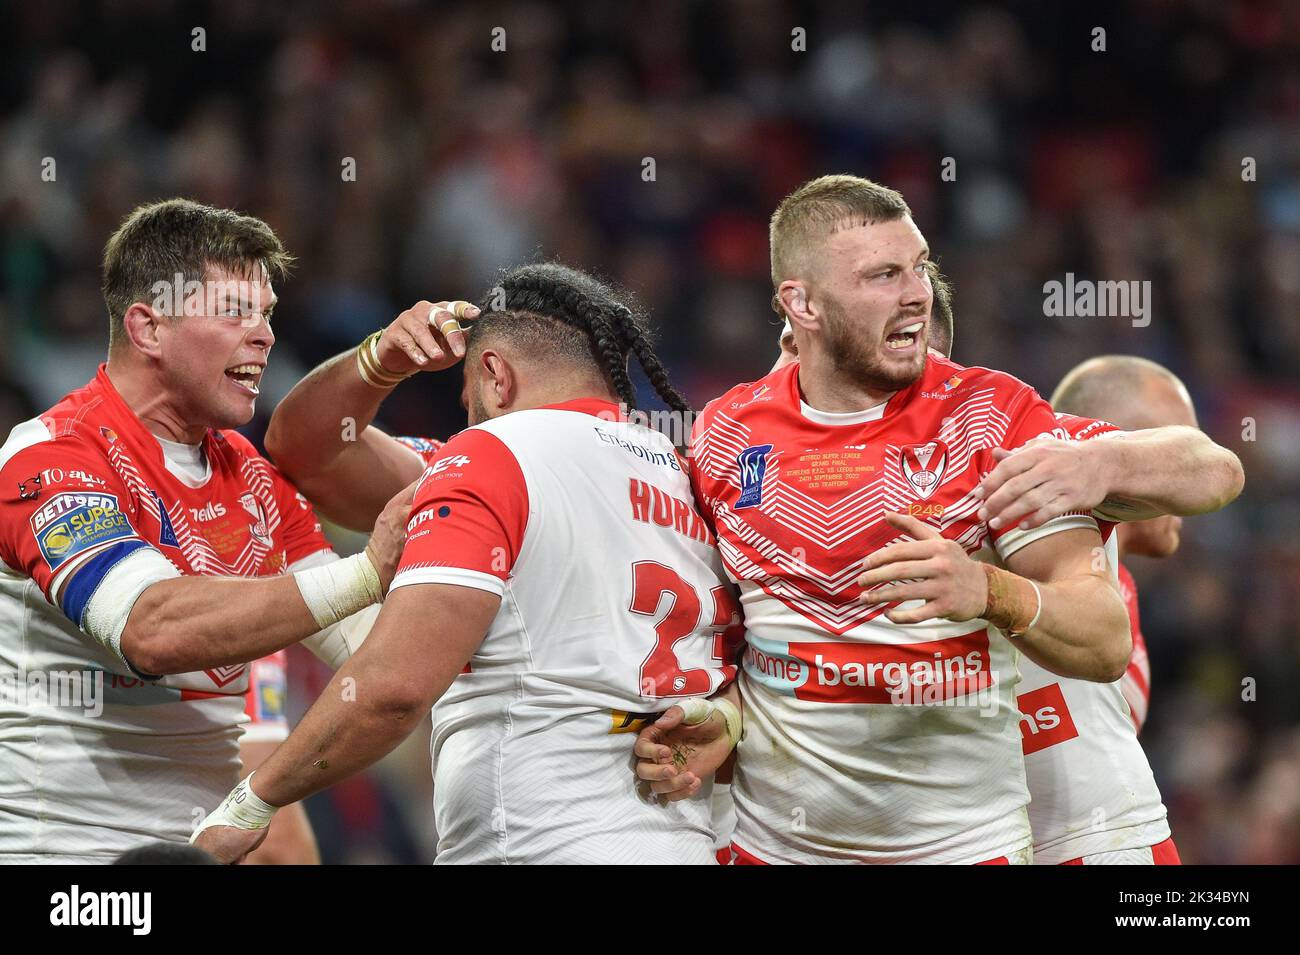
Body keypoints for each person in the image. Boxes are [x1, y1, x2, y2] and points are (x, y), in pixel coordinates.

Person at [192, 263, 744, 865]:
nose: (467, 422)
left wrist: (252, 802)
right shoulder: (693, 473)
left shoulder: (491, 454)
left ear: (494, 376)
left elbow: (396, 689)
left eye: (468, 404)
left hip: (541, 844)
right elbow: (304, 451)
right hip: (685, 843)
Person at [0, 199, 406, 863]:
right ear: (148, 328)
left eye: (268, 313)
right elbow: (153, 630)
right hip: (69, 869)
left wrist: (623, 710)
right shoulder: (50, 457)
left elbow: (380, 652)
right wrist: (368, 570)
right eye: (235, 311)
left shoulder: (251, 476)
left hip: (202, 857)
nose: (264, 335)